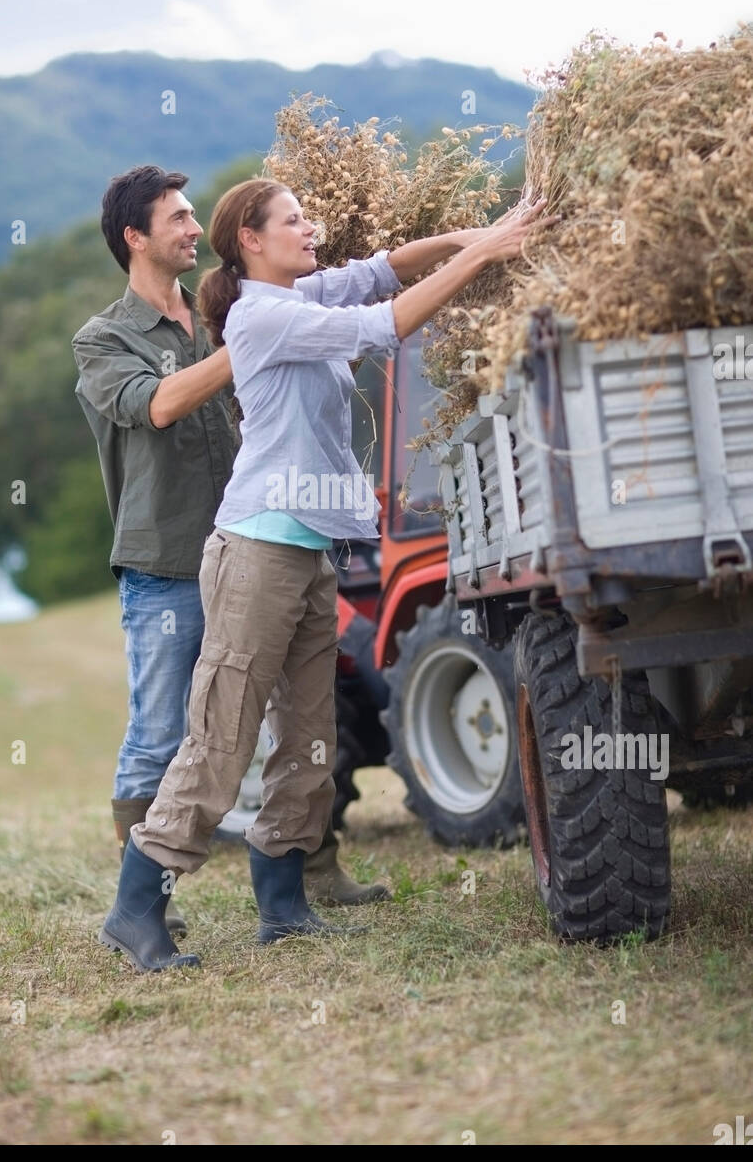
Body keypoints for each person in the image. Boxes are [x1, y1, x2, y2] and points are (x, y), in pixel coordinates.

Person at [99, 176, 557, 971]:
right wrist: (486, 252)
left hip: (308, 552)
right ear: (252, 239)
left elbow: (383, 271)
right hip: (256, 552)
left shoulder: (298, 290)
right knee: (222, 738)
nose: (311, 231)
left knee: (311, 736)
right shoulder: (263, 313)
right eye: (295, 221)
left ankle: (282, 903)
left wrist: (465, 238)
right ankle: (138, 905)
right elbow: (387, 325)